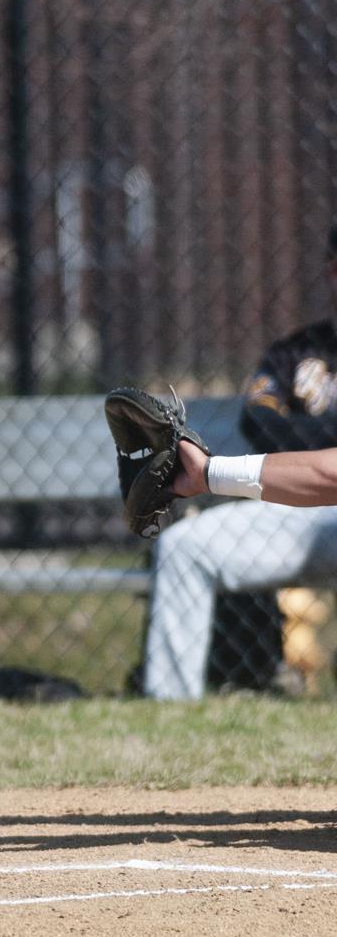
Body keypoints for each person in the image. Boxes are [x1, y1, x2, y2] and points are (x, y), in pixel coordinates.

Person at [146, 226, 337, 697]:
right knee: (184, 548)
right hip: (292, 502)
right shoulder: (296, 351)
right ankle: (166, 719)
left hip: (314, 485)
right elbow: (261, 423)